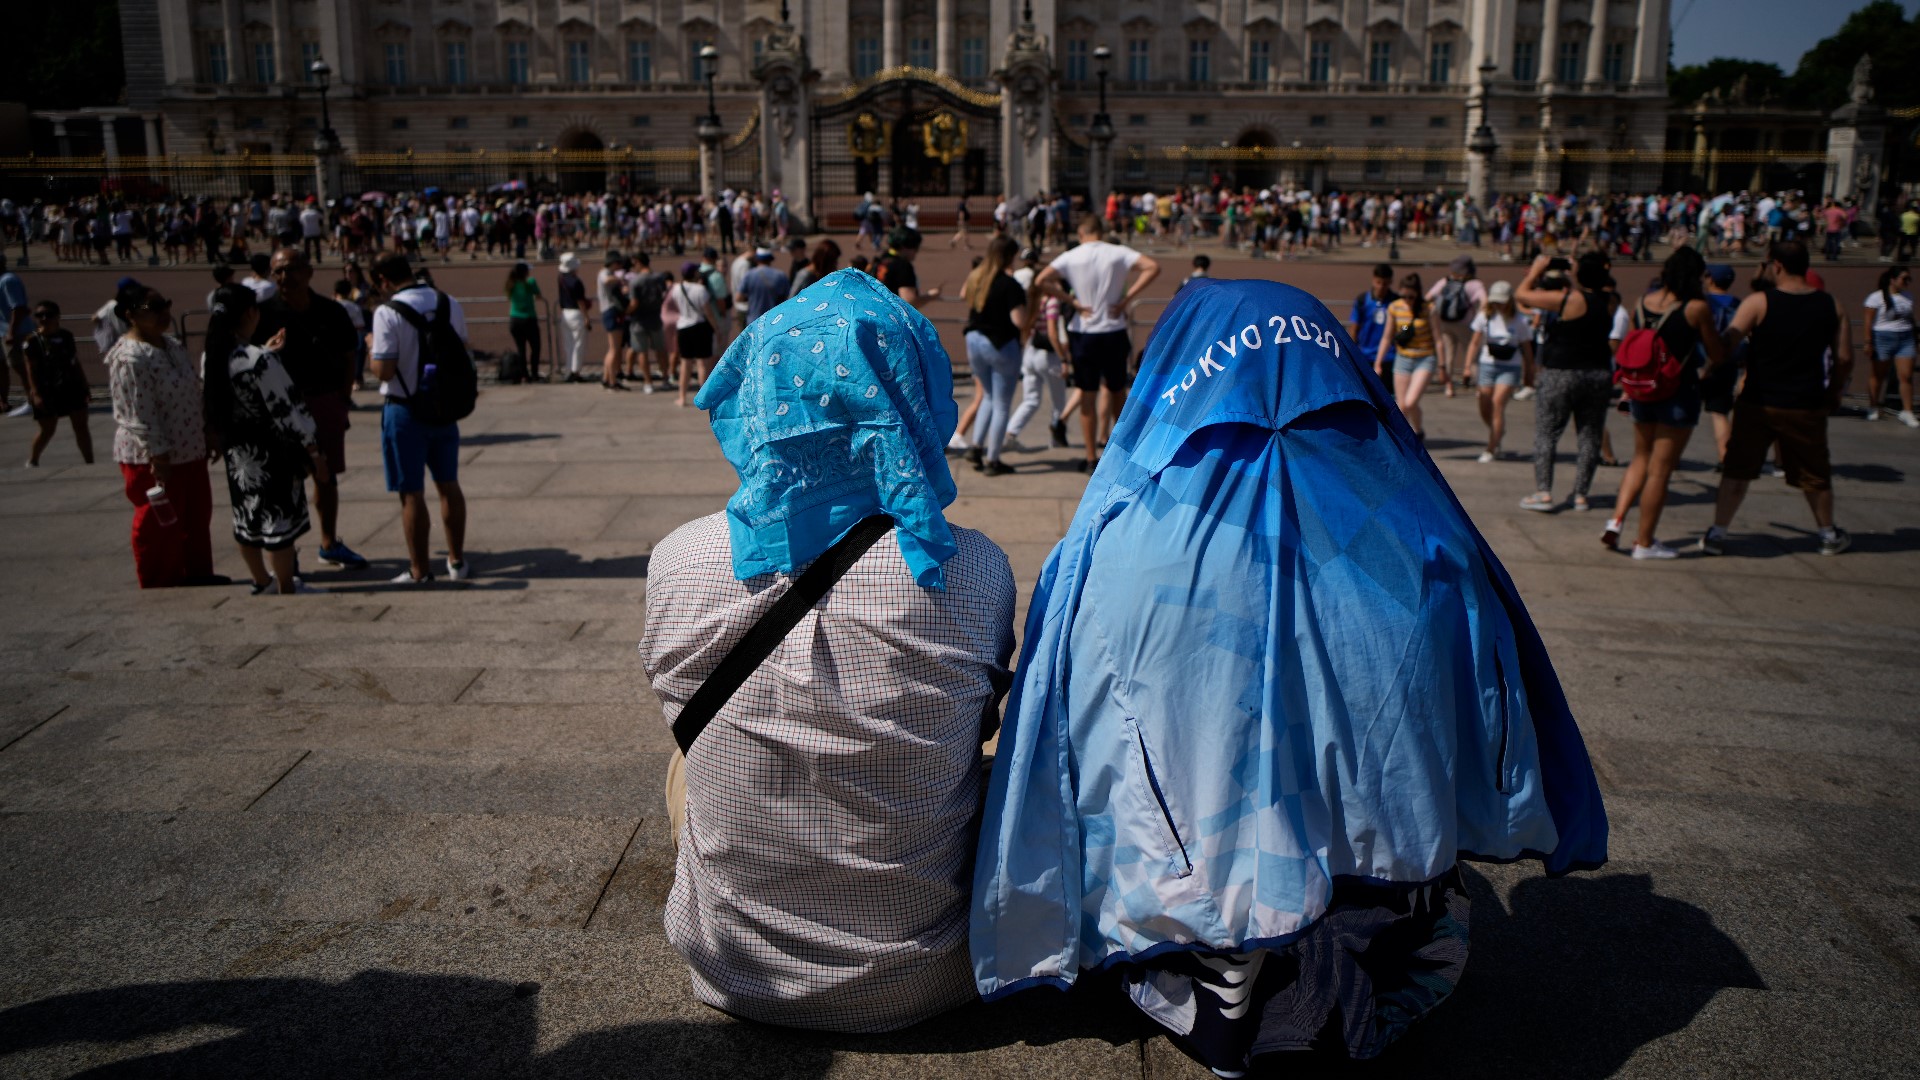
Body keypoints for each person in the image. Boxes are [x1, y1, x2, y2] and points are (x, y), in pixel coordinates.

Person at [970, 278, 1606, 1079]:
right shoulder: (1425, 523)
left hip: (1191, 882)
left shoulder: (1121, 531)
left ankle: (1222, 950)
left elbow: (1073, 731)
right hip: (1389, 881)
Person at [642, 268, 1014, 1033]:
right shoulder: (970, 568)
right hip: (927, 979)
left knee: (686, 760)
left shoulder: (678, 558)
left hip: (733, 974)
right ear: (915, 397)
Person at [1700, 240, 1854, 557]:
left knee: (1737, 470)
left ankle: (1718, 533)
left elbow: (1728, 344)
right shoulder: (1832, 305)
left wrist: (1709, 361)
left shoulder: (1759, 302)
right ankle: (1827, 533)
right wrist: (1834, 391)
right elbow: (1844, 358)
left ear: (1777, 266)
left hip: (1758, 399)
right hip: (1806, 401)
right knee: (1815, 473)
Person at [1601, 246, 1727, 560]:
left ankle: (1616, 521)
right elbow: (1717, 353)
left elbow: (1631, 350)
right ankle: (1644, 542)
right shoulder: (1696, 307)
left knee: (1639, 458)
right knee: (1660, 470)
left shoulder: (1643, 302)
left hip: (1643, 389)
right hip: (1677, 391)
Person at [203, 284, 327, 594]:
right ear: (250, 312)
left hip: (239, 451)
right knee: (278, 523)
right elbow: (288, 409)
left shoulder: (213, 357)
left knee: (246, 518)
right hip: (273, 450)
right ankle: (286, 585)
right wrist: (313, 451)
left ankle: (261, 580)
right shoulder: (258, 360)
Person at [254, 248, 368, 572]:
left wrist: (342, 400)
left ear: (308, 272)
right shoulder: (263, 313)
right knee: (286, 480)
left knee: (326, 476)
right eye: (277, 272)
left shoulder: (331, 311)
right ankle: (287, 549)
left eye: (290, 270)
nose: (283, 278)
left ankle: (329, 542)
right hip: (280, 408)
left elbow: (349, 356)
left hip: (323, 400)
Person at [106, 282, 224, 589]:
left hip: (188, 448)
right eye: (153, 308)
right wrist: (157, 454)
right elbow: (137, 412)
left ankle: (197, 571)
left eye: (165, 304)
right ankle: (161, 576)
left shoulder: (170, 345)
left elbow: (192, 391)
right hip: (153, 456)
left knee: (196, 516)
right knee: (158, 520)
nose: (163, 313)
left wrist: (207, 431)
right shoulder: (130, 357)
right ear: (131, 315)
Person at [368, 254, 470, 584]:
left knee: (411, 493)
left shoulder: (387, 312)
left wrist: (371, 347)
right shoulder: (448, 302)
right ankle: (456, 560)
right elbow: (462, 348)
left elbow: (383, 368)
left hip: (405, 409)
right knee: (449, 485)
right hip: (444, 406)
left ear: (384, 280)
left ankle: (420, 570)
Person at [1032, 215, 1161, 472]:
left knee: (1087, 396)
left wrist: (1072, 302)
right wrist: (1127, 299)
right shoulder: (1117, 252)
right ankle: (1123, 452)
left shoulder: (1072, 256)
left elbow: (1041, 281)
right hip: (1113, 329)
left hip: (1085, 331)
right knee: (1117, 392)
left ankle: (1091, 456)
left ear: (1081, 233)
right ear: (1100, 231)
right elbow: (1152, 267)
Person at [1516, 252, 1617, 513]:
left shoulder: (1569, 299)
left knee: (1547, 433)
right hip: (1597, 373)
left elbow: (1522, 295)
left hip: (1561, 371)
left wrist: (1537, 269)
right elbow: (1594, 290)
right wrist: (1580, 272)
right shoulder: (1610, 300)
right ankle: (1581, 494)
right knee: (1589, 435)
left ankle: (1543, 491)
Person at [959, 237, 1030, 476]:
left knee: (988, 396)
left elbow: (963, 295)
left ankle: (976, 446)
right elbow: (1018, 321)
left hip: (974, 339)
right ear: (1010, 256)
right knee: (1001, 404)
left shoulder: (977, 277)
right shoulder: (1010, 285)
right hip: (1000, 343)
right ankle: (993, 459)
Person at [20, 301, 95, 467]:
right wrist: (36, 394)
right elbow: (30, 370)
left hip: (71, 386)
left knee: (81, 426)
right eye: (40, 315)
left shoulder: (66, 336)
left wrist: (85, 385)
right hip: (46, 389)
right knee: (48, 429)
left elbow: (75, 362)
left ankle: (89, 462)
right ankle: (33, 459)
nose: (44, 318)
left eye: (49, 315)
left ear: (58, 317)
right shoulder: (32, 341)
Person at [1466, 280, 1533, 463]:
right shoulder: (1485, 316)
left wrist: (1529, 373)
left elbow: (1527, 349)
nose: (1499, 305)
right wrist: (1467, 366)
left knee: (1497, 404)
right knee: (1484, 401)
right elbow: (1474, 342)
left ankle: (1491, 447)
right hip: (1488, 363)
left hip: (1510, 367)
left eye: (1502, 301)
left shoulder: (1519, 321)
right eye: (1496, 301)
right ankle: (1496, 432)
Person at [1376, 272, 1438, 438]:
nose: (1407, 300)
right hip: (1403, 358)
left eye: (1411, 296)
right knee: (1402, 405)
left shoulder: (1428, 309)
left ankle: (1417, 432)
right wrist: (1378, 362)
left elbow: (1438, 339)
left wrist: (1444, 366)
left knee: (1411, 402)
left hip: (1424, 358)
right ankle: (1410, 436)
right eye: (1404, 296)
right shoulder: (1395, 307)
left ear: (1417, 294)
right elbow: (1387, 337)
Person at [1699, 263, 1743, 465]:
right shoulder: (1738, 304)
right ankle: (1725, 457)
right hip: (1728, 363)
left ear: (1710, 279)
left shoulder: (1701, 303)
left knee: (1682, 414)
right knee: (1719, 413)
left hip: (1699, 361)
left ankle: (1672, 456)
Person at [1863, 264, 1918, 426]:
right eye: (1904, 279)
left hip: (1905, 337)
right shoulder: (1876, 297)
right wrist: (1868, 341)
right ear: (1893, 280)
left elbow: (1910, 318)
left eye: (1909, 279)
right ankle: (1873, 406)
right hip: (1883, 336)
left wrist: (1915, 337)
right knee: (1878, 375)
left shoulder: (1908, 296)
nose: (1907, 282)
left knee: (1906, 376)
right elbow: (1868, 321)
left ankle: (1907, 411)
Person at [1427, 255, 1486, 396]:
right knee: (1471, 355)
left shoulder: (1445, 281)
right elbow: (1485, 302)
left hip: (1446, 323)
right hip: (1466, 325)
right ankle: (1479, 387)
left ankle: (1449, 387)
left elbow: (1428, 297)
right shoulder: (1475, 284)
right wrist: (1480, 316)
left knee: (1449, 354)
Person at [672, 260, 721, 408]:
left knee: (685, 363)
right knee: (702, 364)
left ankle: (682, 396)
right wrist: (716, 329)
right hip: (699, 327)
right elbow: (708, 313)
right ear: (694, 273)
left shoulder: (676, 288)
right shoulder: (700, 289)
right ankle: (703, 397)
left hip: (683, 326)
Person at [626, 252, 671, 391]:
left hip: (639, 319)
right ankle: (665, 378)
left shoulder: (635, 281)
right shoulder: (659, 278)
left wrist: (626, 311)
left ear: (639, 262)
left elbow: (634, 302)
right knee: (660, 350)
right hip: (655, 317)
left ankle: (648, 382)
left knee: (642, 352)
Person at [1347, 263, 1395, 384]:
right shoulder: (1362, 300)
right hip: (1365, 356)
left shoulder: (1396, 302)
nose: (1381, 287)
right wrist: (1352, 352)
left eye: (1385, 283)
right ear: (1373, 280)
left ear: (1390, 282)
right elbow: (1354, 328)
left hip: (1389, 357)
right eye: (1378, 282)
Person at [874, 227, 940, 308]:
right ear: (905, 247)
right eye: (915, 248)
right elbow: (909, 302)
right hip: (891, 316)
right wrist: (930, 296)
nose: (916, 252)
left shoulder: (880, 260)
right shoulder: (903, 266)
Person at [554, 252, 593, 384]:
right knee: (578, 344)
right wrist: (587, 317)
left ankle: (568, 369)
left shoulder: (561, 278)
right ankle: (575, 372)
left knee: (568, 344)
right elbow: (580, 301)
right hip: (576, 314)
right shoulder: (576, 281)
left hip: (565, 312)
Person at [504, 261, 543, 383]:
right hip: (529, 318)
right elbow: (538, 295)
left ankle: (524, 375)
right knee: (535, 347)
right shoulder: (530, 282)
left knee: (521, 349)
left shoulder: (510, 284)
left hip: (515, 318)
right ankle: (534, 373)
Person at [597, 252, 630, 391]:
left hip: (609, 311)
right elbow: (606, 280)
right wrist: (620, 279)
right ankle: (612, 380)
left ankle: (606, 378)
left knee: (612, 348)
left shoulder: (607, 273)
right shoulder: (605, 273)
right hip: (611, 310)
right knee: (615, 349)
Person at [0, 253, 28, 414]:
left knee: (22, 368)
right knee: (1, 368)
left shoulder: (8, 280)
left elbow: (17, 307)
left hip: (15, 332)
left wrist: (11, 332)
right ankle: (3, 401)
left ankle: (33, 401)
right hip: (2, 332)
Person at [735, 246, 790, 325]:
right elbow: (787, 297)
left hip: (754, 320)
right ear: (770, 259)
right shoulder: (780, 275)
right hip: (774, 320)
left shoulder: (749, 275)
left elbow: (738, 298)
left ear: (757, 259)